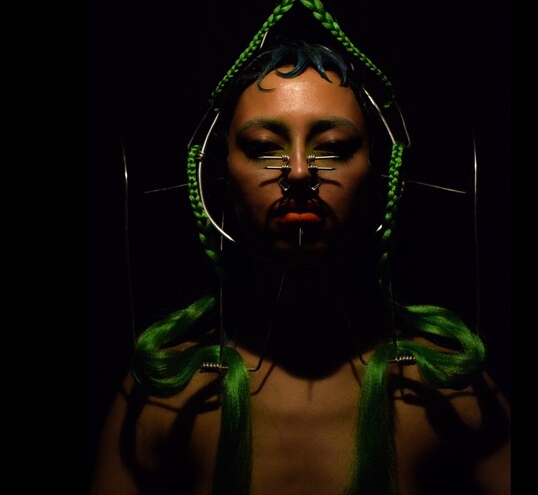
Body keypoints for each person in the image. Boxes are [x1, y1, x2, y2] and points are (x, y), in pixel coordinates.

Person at [90, 39, 510, 494]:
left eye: (333, 147)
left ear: (380, 172)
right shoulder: (167, 394)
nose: (298, 172)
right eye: (261, 147)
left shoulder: (446, 391)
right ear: (220, 173)